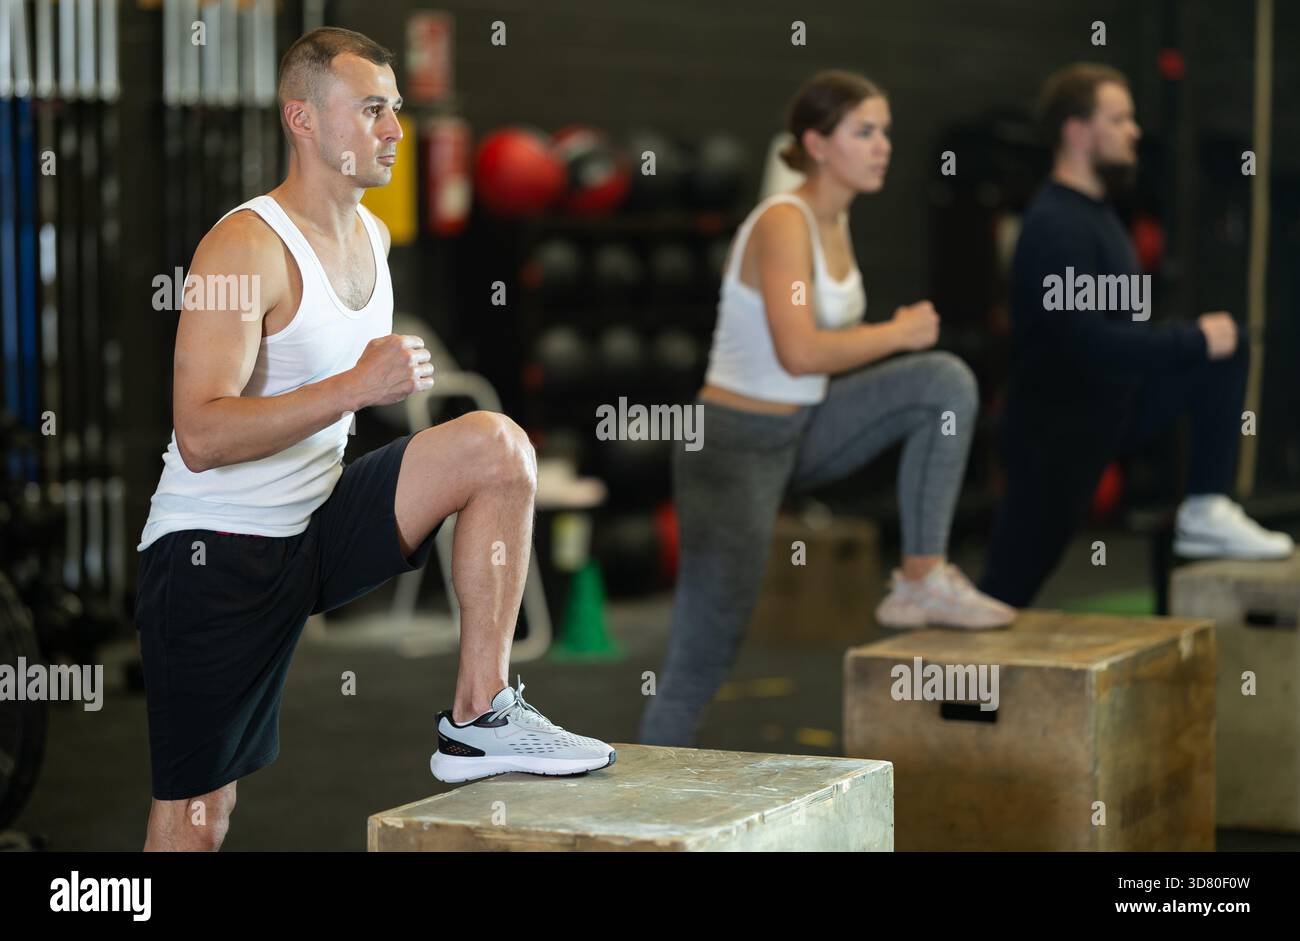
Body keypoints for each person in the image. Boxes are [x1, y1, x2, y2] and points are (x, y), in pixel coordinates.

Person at [134, 27, 612, 851]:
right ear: (304, 120)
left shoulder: (374, 240)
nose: (395, 130)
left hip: (317, 523)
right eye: (372, 109)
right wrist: (354, 387)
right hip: (215, 553)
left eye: (395, 109)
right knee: (199, 822)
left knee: (497, 447)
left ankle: (479, 713)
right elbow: (202, 432)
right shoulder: (245, 244)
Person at [639, 70, 1014, 748]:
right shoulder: (785, 222)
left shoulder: (837, 223)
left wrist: (896, 346)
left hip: (801, 427)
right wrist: (896, 332)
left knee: (943, 381)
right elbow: (802, 352)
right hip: (731, 445)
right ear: (816, 143)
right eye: (864, 132)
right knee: (706, 649)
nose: (882, 146)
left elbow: (820, 362)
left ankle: (922, 578)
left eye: (886, 133)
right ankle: (641, 807)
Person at [979, 63, 1293, 608]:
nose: (1135, 131)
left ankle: (1205, 508)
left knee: (1226, 346)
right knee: (1007, 591)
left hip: (1109, 408)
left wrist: (1196, 341)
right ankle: (957, 690)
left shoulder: (1103, 218)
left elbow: (1125, 332)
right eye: (1118, 119)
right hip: (1056, 437)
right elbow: (1087, 343)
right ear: (1076, 131)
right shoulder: (1056, 226)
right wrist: (1192, 341)